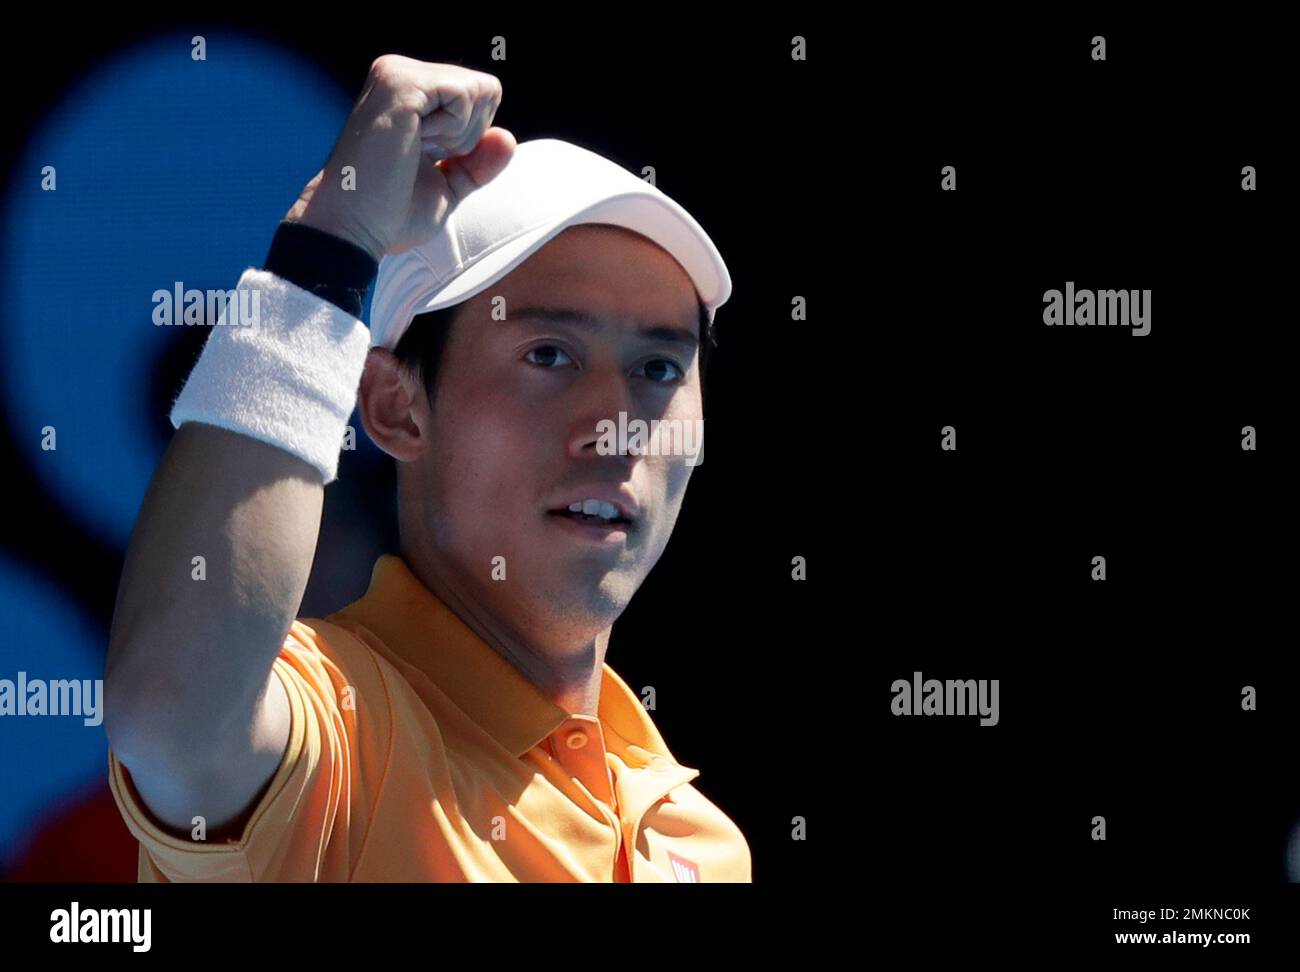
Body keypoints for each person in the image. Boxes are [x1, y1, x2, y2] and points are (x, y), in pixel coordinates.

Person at [103, 54, 750, 882]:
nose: (615, 424)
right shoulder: (340, 733)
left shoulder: (703, 845)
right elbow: (168, 714)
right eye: (550, 354)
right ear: (395, 408)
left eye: (659, 370)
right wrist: (330, 239)